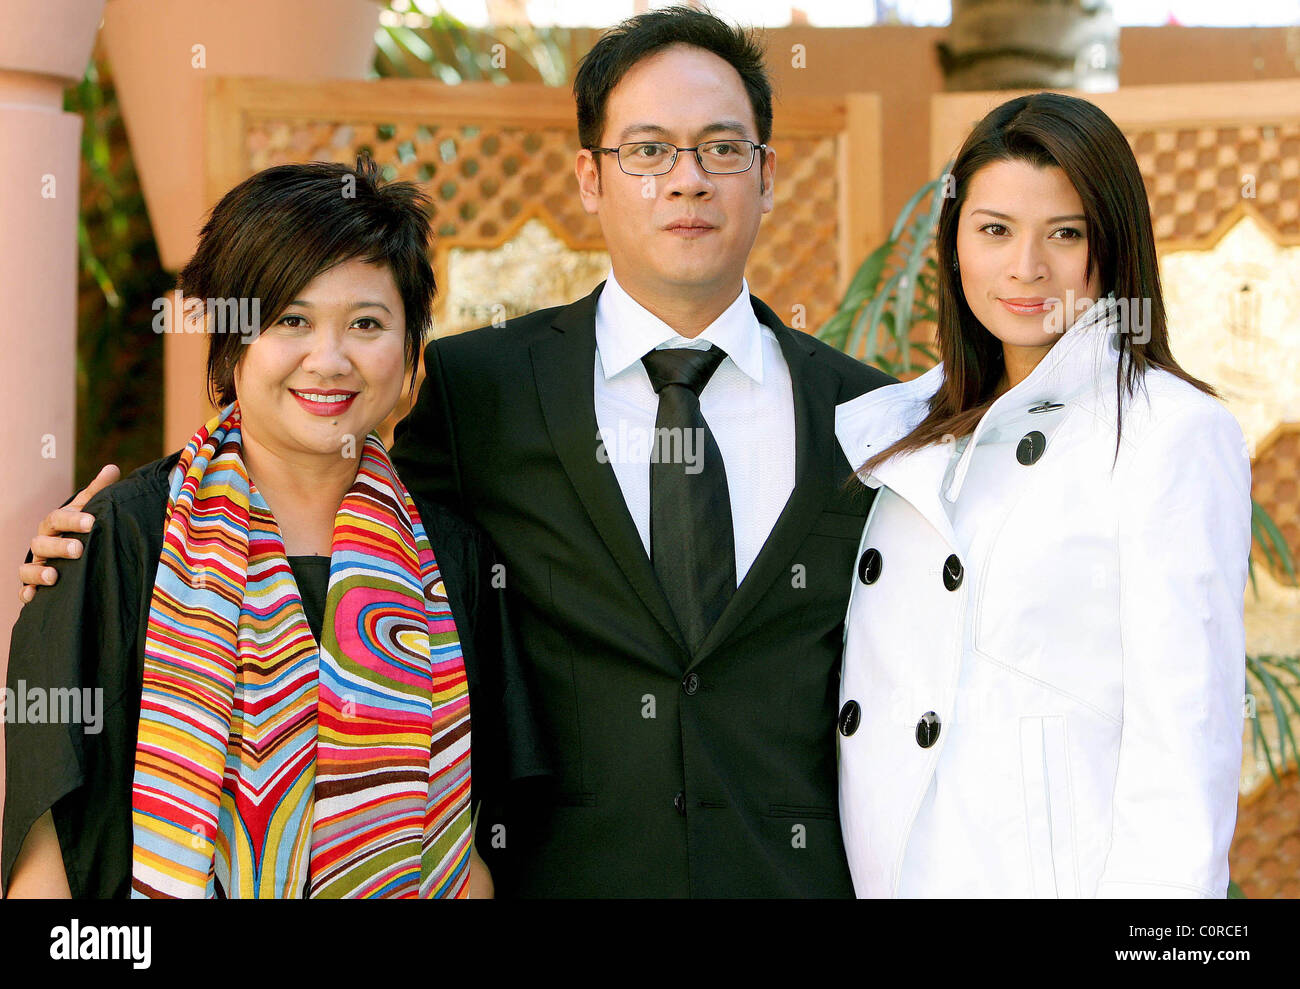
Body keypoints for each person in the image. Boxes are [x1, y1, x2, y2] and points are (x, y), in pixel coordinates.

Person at [19, 8, 894, 897]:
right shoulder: (483, 392)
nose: (687, 181)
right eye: (648, 150)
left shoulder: (874, 415)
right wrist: (95, 552)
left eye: (720, 149)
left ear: (767, 172)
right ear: (590, 176)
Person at [3, 158, 541, 898]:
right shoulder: (112, 544)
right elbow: (43, 865)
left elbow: (467, 850)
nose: (329, 359)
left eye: (366, 323)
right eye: (290, 319)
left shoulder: (453, 559)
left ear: (412, 340)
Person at [833, 92, 1252, 898]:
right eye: (994, 230)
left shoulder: (1169, 432)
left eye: (1065, 233)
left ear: (1115, 245)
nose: (1026, 268)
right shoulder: (910, 429)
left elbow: (1185, 738)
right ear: (955, 243)